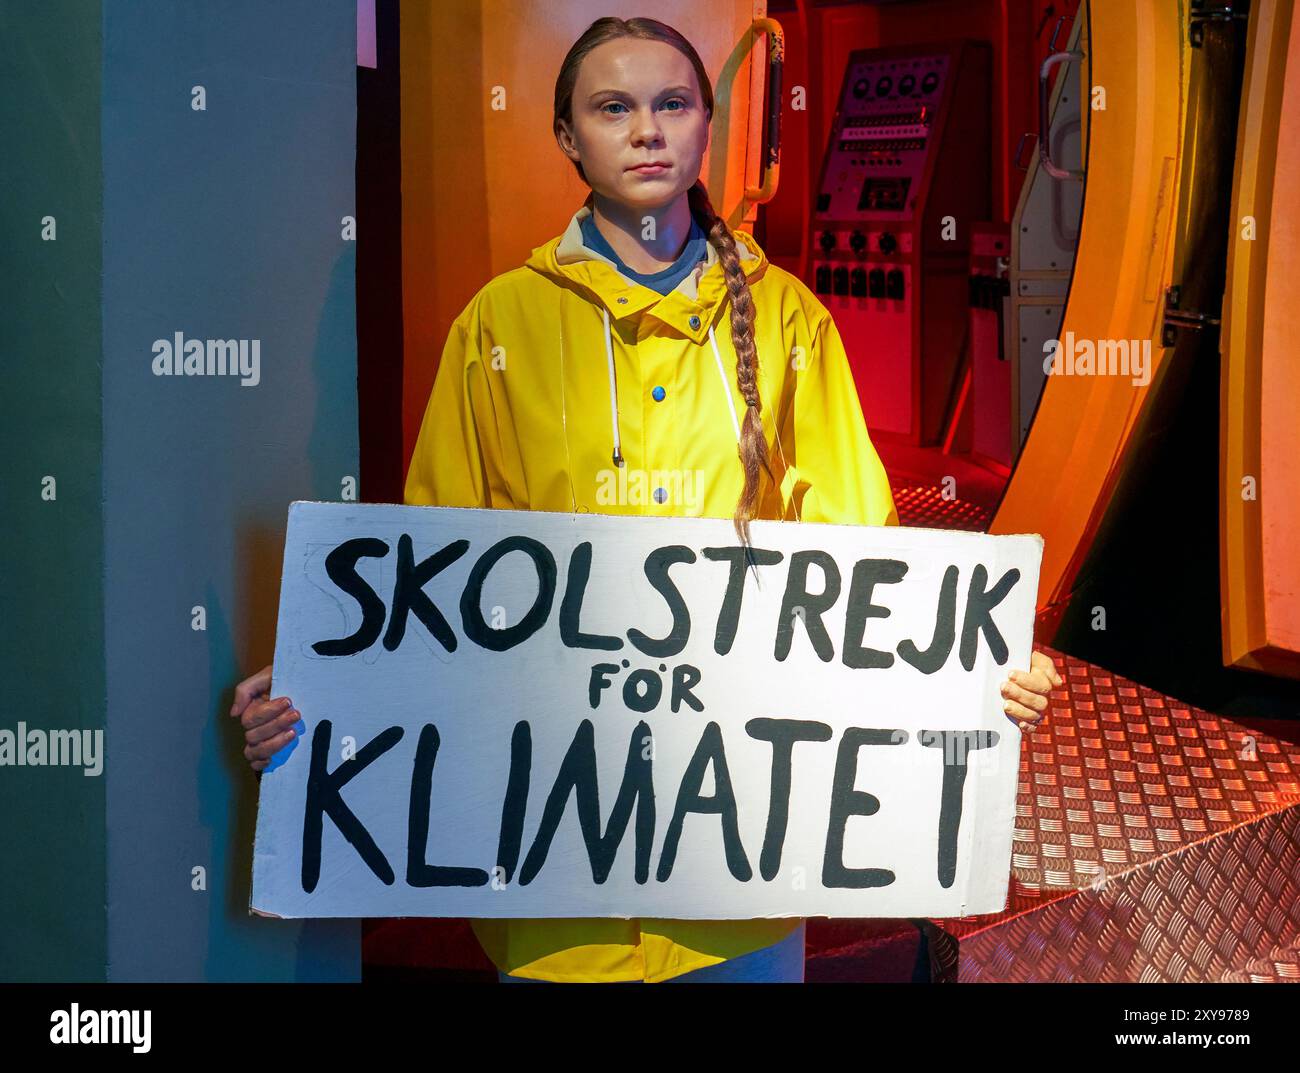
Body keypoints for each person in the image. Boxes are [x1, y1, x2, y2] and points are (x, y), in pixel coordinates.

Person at [230, 15, 1061, 983]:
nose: (646, 130)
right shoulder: (498, 326)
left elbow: (861, 572)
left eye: (672, 104)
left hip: (741, 887)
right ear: (567, 136)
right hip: (555, 892)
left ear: (708, 126)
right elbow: (435, 580)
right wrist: (323, 689)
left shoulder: (790, 321)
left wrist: (968, 670)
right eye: (611, 107)